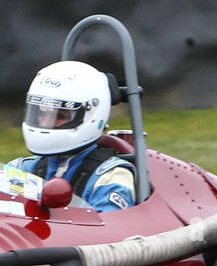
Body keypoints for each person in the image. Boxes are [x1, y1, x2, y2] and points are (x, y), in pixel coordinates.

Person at [7, 61, 136, 211]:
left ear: (90, 115)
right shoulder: (21, 169)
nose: (45, 122)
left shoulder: (111, 176)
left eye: (59, 116)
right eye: (41, 113)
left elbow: (110, 231)